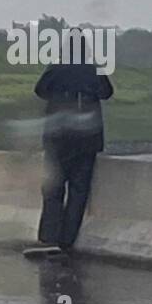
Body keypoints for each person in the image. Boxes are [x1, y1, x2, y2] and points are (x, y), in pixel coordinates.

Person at [32, 35, 114, 254]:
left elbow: (39, 90)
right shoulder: (94, 69)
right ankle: (67, 240)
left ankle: (49, 238)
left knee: (53, 188)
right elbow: (107, 92)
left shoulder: (56, 68)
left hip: (58, 138)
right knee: (79, 190)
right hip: (87, 139)